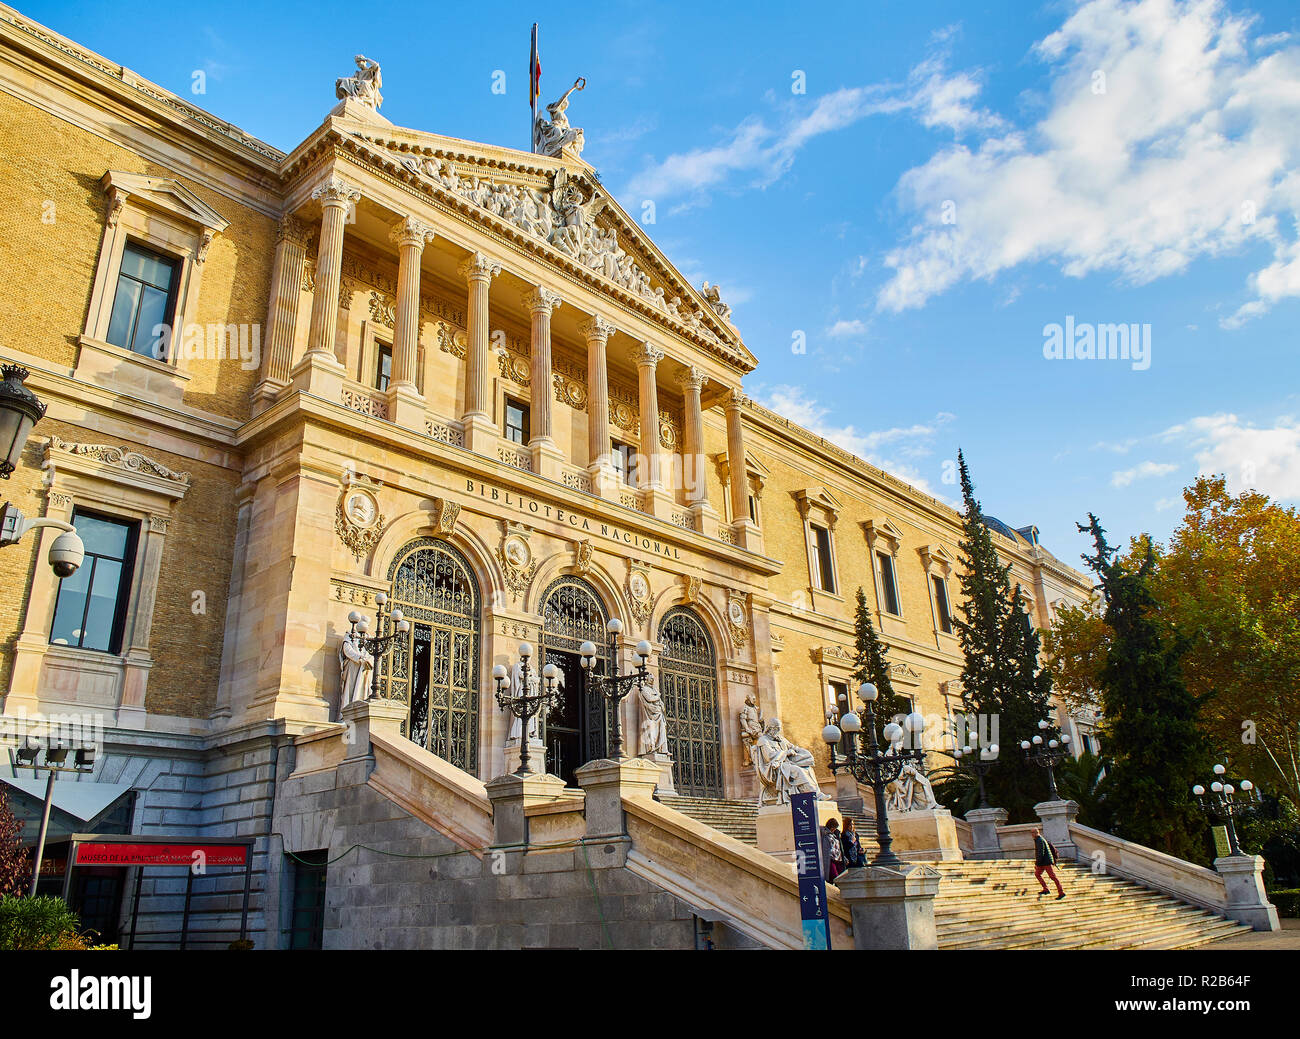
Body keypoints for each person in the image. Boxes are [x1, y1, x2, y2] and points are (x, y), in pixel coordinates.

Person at [1032, 827, 1065, 900]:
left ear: (1035, 833)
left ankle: (1061, 892)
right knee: (1037, 874)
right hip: (1043, 862)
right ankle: (1046, 889)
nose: (1031, 835)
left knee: (1053, 876)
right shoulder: (1039, 839)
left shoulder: (1039, 840)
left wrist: (1037, 863)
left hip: (1046, 862)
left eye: (1032, 833)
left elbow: (1040, 853)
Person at [821, 818, 846, 883]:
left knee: (841, 877)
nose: (834, 829)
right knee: (835, 878)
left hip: (838, 860)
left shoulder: (835, 835)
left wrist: (844, 858)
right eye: (834, 828)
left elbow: (838, 848)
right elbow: (825, 849)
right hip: (831, 859)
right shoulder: (825, 835)